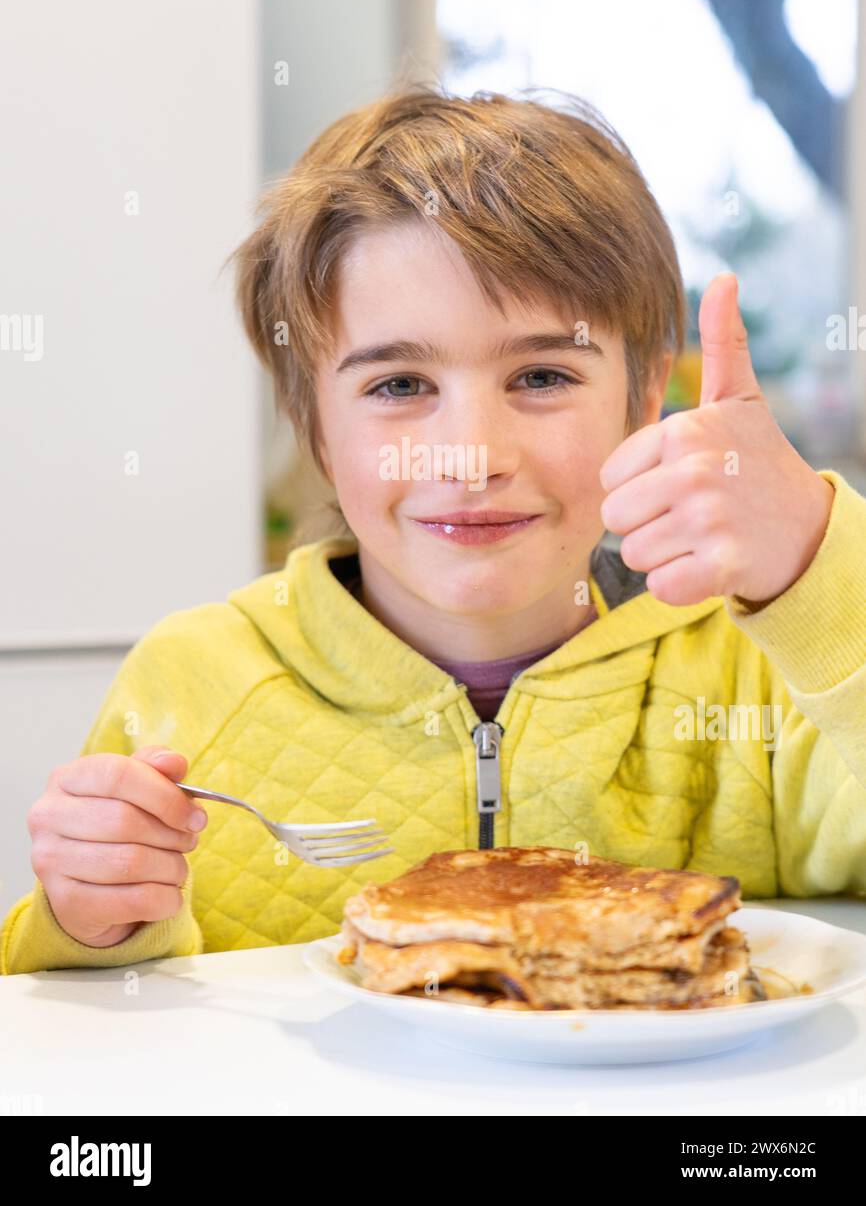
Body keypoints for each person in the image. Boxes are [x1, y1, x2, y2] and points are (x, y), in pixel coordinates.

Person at [3, 84, 864, 976]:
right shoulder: (194, 683)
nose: (467, 457)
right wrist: (91, 922)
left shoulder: (760, 684)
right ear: (316, 429)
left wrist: (818, 559)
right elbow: (74, 1032)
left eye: (540, 377)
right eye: (399, 387)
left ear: (643, 403)